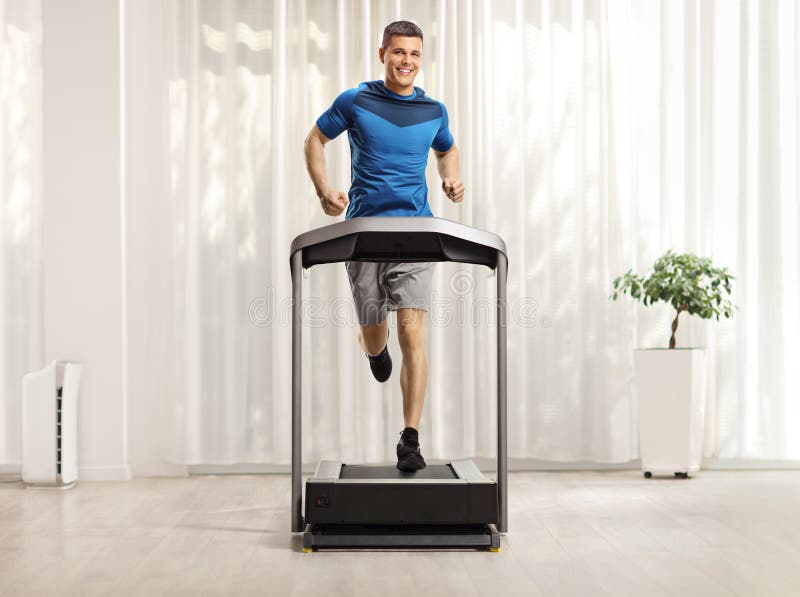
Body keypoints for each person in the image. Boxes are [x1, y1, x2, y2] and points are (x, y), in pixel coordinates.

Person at [304, 20, 464, 471]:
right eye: (398, 52)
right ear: (382, 54)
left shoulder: (433, 110)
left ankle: (410, 438)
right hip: (364, 232)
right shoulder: (356, 100)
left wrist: (450, 178)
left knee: (412, 329)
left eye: (414, 54)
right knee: (377, 331)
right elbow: (314, 140)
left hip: (416, 232)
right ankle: (373, 347)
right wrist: (324, 190)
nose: (406, 61)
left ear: (421, 58)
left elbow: (447, 150)